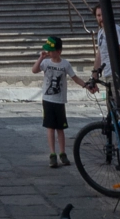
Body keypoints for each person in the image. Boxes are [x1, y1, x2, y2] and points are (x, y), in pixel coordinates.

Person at [33, 36, 86, 167]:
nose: (49, 53)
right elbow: (34, 70)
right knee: (50, 127)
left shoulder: (65, 64)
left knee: (60, 128)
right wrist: (41, 57)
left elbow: (75, 78)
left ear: (59, 51)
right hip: (48, 99)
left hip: (60, 100)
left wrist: (86, 86)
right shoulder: (46, 63)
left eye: (51, 50)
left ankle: (62, 153)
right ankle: (52, 154)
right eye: (48, 50)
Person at [92, 6, 120, 89]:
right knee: (111, 101)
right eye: (98, 15)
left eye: (103, 14)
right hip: (107, 75)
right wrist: (93, 77)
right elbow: (99, 55)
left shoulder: (116, 30)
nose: (101, 18)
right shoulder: (100, 33)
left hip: (117, 75)